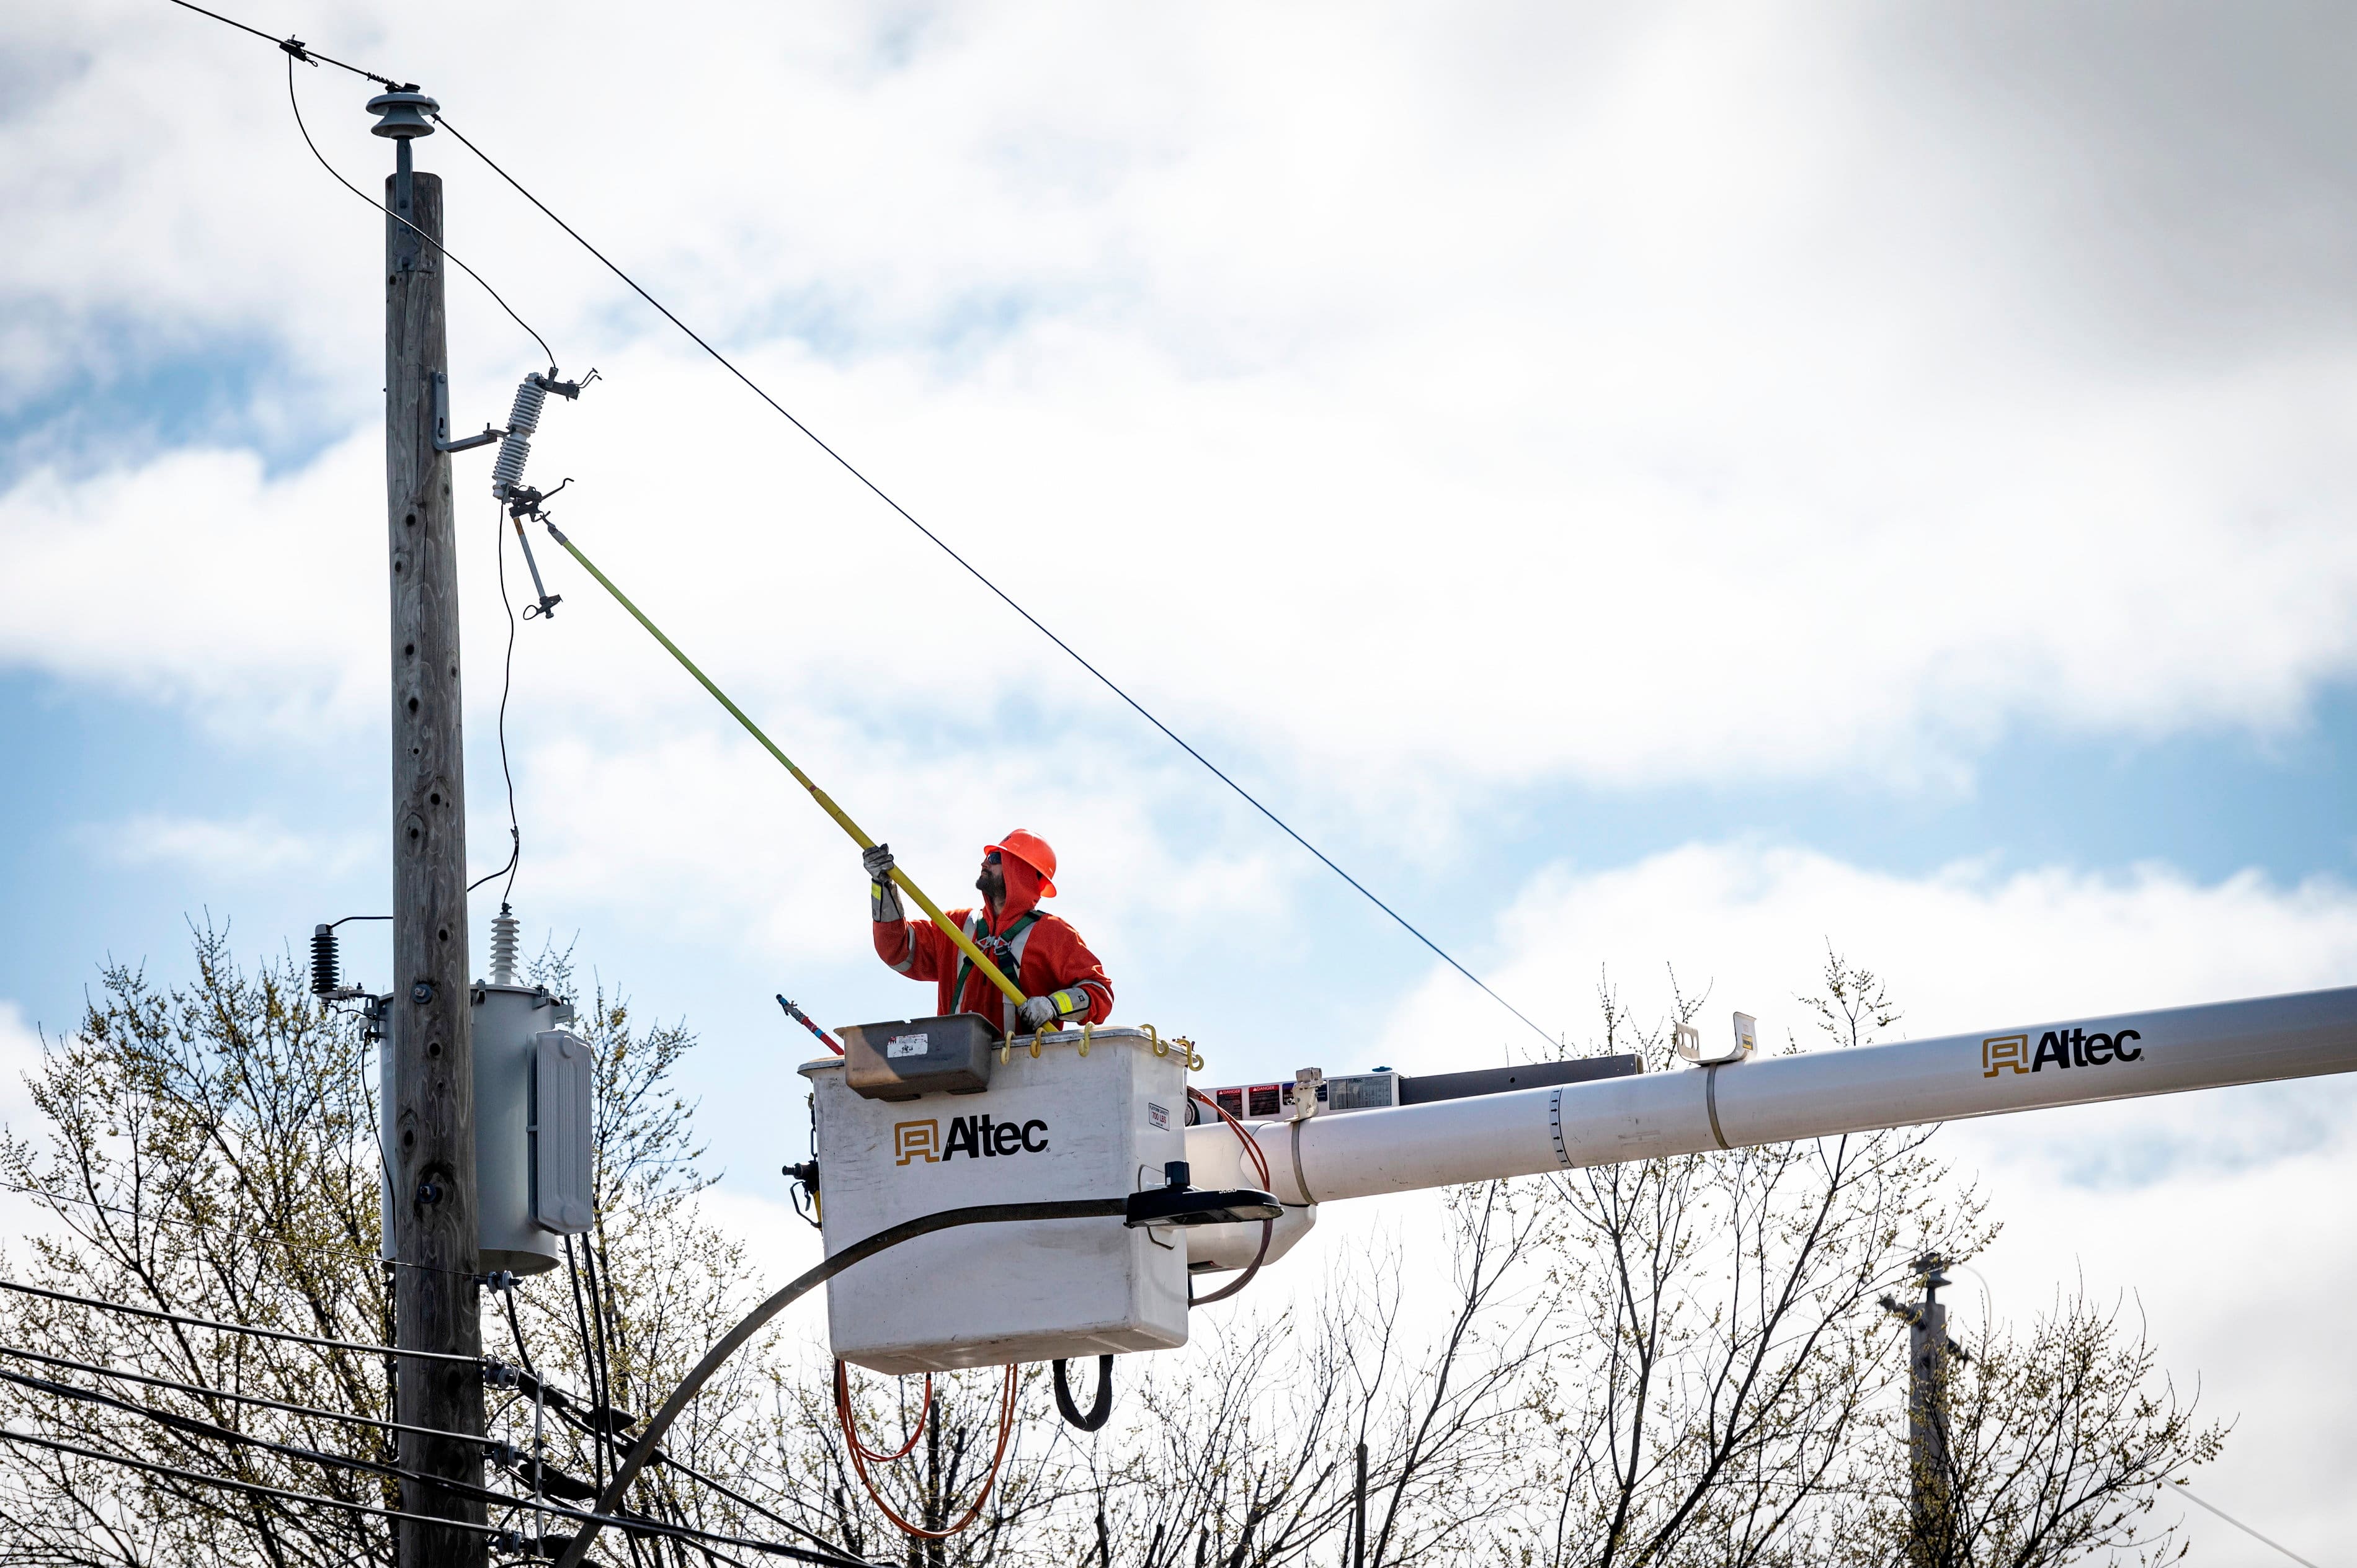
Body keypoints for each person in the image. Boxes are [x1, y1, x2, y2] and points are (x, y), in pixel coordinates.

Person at [865, 830, 1114, 1036]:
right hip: (956, 1066)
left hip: (1024, 1072)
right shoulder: (956, 925)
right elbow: (896, 949)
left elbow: (1099, 993)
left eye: (995, 858)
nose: (984, 863)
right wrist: (883, 885)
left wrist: (1053, 1006)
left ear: (1021, 871)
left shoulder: (1054, 934)